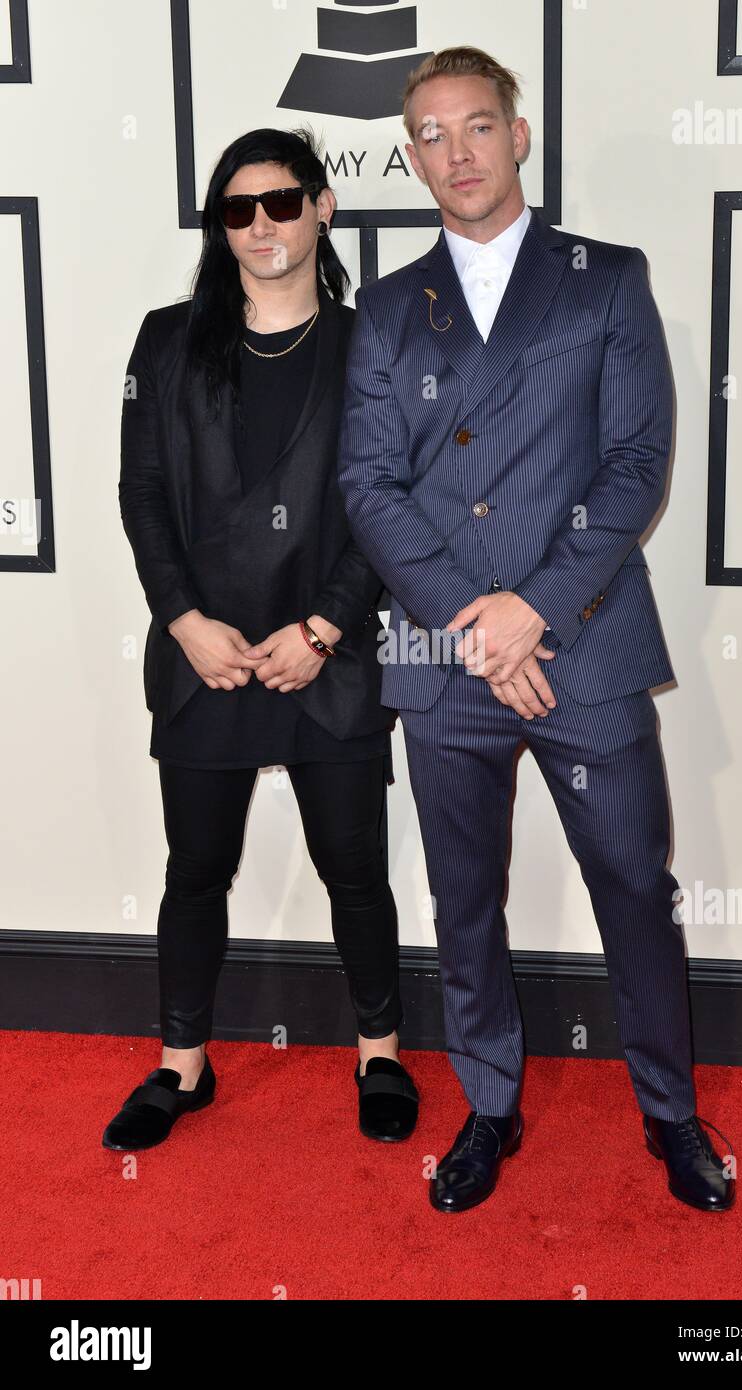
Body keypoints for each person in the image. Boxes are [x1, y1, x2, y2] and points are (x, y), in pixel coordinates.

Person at [338, 48, 735, 1213]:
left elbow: (631, 468)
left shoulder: (604, 278)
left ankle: (668, 1115)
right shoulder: (382, 306)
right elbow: (368, 486)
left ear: (518, 137)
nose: (455, 153)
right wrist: (476, 627)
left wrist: (531, 612)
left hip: (585, 638)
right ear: (409, 155)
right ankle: (488, 1105)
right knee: (464, 901)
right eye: (430, 134)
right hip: (445, 652)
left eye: (475, 127)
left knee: (631, 883)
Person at [106, 127, 418, 1152]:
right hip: (206, 662)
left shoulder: (372, 342)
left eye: (280, 202)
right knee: (194, 869)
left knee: (354, 871)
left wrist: (325, 626)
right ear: (218, 227)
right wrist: (185, 620)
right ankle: (180, 1065)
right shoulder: (165, 340)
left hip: (327, 658)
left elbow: (385, 503)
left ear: (322, 208)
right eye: (236, 210)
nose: (260, 226)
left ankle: (379, 1048)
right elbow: (143, 492)